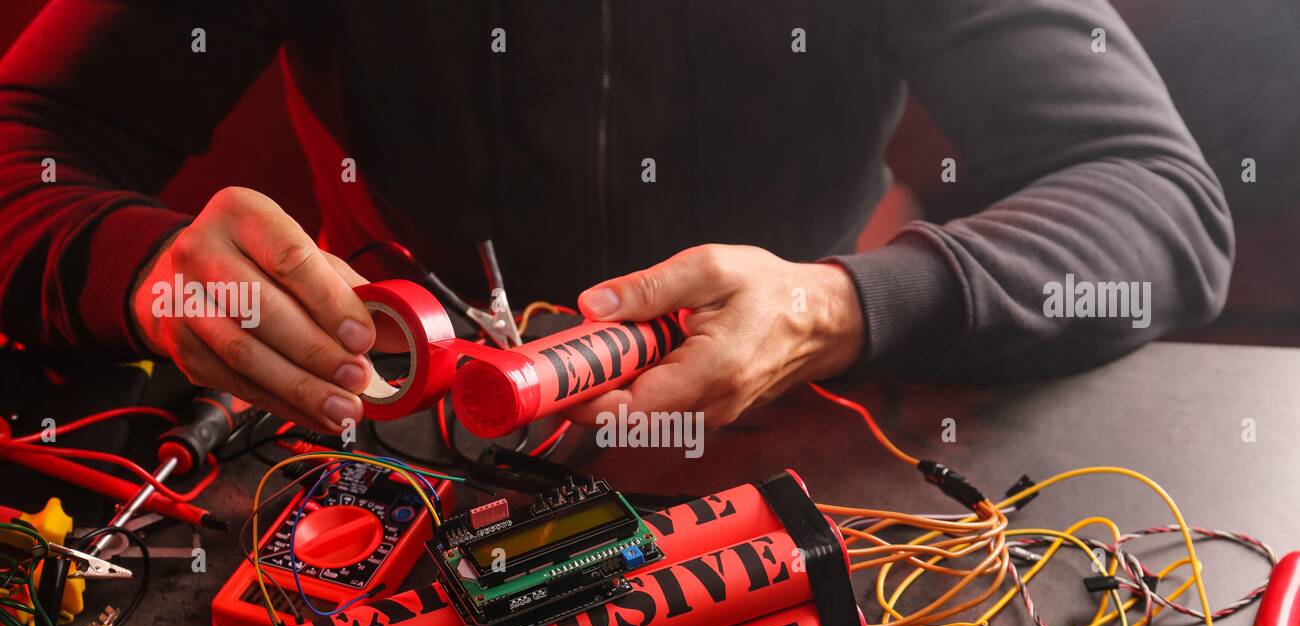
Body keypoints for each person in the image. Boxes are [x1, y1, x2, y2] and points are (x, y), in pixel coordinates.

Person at [0, 0, 1232, 433]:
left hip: (793, 435)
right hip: (383, 419)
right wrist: (144, 265)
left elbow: (1157, 197)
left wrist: (836, 304)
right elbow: (23, 145)